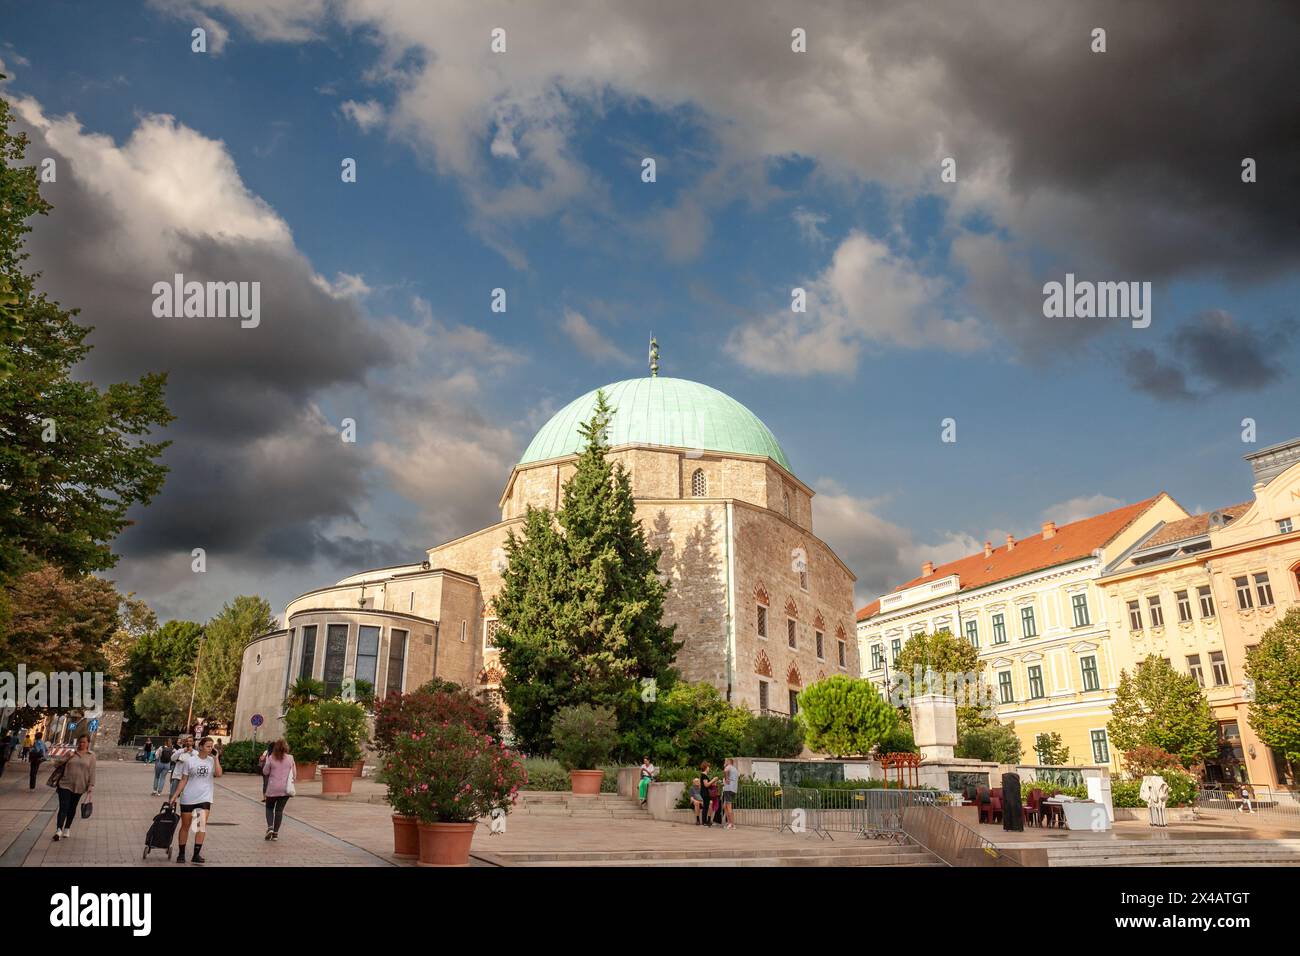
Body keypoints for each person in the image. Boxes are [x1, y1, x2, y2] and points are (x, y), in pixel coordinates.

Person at [171, 736, 221, 864]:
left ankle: (196, 854)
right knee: (185, 826)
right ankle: (181, 854)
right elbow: (184, 780)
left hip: (204, 797)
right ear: (200, 747)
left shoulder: (211, 760)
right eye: (208, 746)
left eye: (212, 746)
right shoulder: (190, 761)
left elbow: (218, 774)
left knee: (200, 826)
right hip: (188, 797)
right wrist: (175, 795)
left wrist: (216, 758)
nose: (210, 749)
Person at [51, 735, 96, 841]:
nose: (81, 744)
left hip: (80, 785)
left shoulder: (91, 756)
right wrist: (67, 757)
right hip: (65, 784)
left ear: (88, 743)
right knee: (63, 807)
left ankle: (67, 828)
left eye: (84, 742)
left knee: (72, 807)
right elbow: (56, 764)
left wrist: (91, 785)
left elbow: (92, 772)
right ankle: (58, 830)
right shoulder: (71, 753)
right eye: (80, 742)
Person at [260, 738, 296, 841]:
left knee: (269, 808)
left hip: (272, 789)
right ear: (286, 747)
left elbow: (265, 771)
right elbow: (294, 774)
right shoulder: (290, 758)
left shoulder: (271, 758)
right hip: (285, 790)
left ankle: (270, 827)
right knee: (279, 811)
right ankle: (275, 834)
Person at [167, 737, 194, 803]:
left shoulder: (195, 753)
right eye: (187, 741)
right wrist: (182, 751)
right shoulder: (180, 750)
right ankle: (170, 808)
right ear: (185, 742)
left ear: (193, 743)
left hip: (188, 778)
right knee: (172, 794)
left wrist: (191, 752)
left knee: (187, 795)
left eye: (190, 741)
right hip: (177, 776)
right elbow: (172, 758)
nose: (188, 742)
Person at [721, 758, 739, 830]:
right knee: (725, 806)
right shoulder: (735, 769)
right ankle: (729, 822)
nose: (725, 762)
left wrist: (726, 778)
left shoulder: (728, 767)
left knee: (728, 807)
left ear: (729, 762)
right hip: (733, 789)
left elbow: (725, 771)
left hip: (728, 788)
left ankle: (732, 824)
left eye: (726, 761)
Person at [698, 762, 715, 827]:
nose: (709, 768)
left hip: (704, 792)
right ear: (705, 767)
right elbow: (706, 785)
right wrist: (713, 780)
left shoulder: (703, 775)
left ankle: (704, 822)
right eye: (708, 767)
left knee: (706, 807)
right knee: (705, 807)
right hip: (705, 792)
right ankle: (704, 822)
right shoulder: (704, 775)